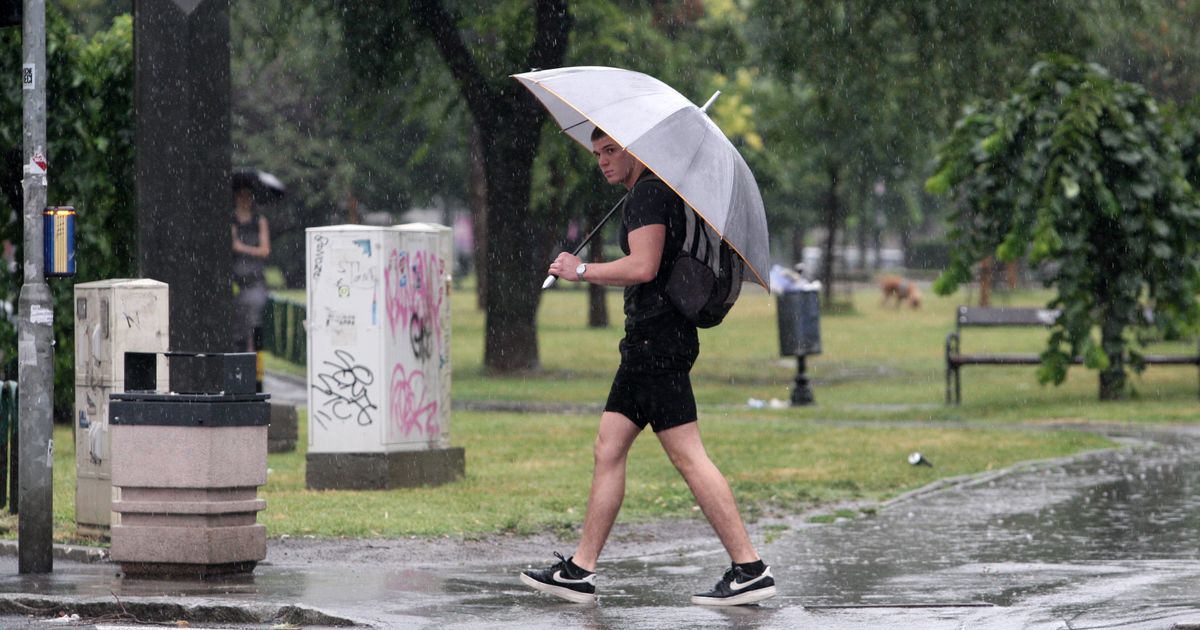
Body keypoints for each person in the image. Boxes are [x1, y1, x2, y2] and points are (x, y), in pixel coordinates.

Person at [520, 128, 776, 606]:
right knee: (609, 447)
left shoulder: (649, 195)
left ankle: (750, 568)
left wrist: (580, 271)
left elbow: (643, 267)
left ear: (637, 149)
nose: (603, 161)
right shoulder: (656, 192)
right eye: (598, 153)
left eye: (612, 150)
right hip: (651, 341)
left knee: (687, 455)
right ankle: (580, 569)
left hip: (656, 343)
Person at [230, 185, 270, 353]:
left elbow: (264, 250)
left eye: (248, 197)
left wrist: (242, 248)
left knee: (254, 325)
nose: (245, 201)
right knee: (238, 329)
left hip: (254, 280)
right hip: (236, 281)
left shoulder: (259, 221)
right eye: (241, 197)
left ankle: (256, 367)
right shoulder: (231, 221)